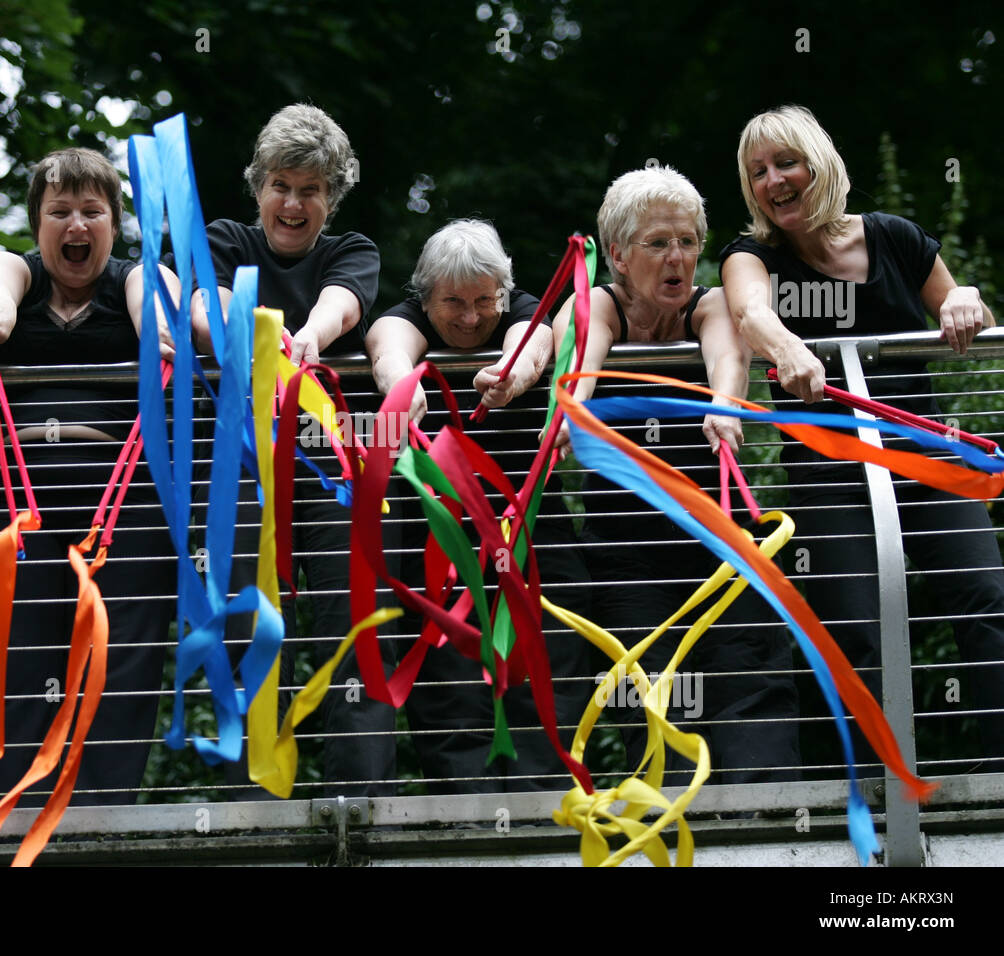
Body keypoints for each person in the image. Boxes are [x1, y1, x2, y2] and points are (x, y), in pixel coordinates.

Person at [719, 104, 1004, 772]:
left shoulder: (895, 237)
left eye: (786, 162)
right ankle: (888, 790)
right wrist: (789, 347)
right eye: (757, 171)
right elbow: (749, 312)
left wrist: (965, 297)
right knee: (853, 628)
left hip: (923, 454)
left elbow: (964, 305)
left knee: (986, 596)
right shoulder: (752, 255)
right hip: (828, 469)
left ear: (820, 164)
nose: (773, 180)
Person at [552, 167, 801, 785]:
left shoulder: (709, 302)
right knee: (653, 705)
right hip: (627, 552)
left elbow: (728, 351)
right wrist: (573, 410)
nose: (679, 258)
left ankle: (770, 831)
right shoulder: (598, 304)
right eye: (658, 243)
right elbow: (584, 354)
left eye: (688, 241)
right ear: (616, 253)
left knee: (752, 687)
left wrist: (722, 409)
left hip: (718, 536)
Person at [0, 147, 179, 807]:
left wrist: (154, 326)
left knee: (120, 663)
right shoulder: (14, 272)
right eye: (59, 212)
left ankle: (103, 825)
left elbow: (155, 296)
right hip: (13, 506)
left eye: (92, 211)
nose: (76, 224)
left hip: (124, 502)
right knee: (8, 663)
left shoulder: (136, 279)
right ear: (38, 223)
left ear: (114, 223)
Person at [192, 103, 383, 798]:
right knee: (244, 622)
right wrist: (250, 339)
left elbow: (343, 304)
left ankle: (360, 805)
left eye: (310, 189)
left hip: (326, 465)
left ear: (330, 199)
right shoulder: (223, 239)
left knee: (350, 625)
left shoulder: (351, 250)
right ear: (258, 186)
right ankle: (246, 808)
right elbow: (204, 308)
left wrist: (306, 339)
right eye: (281, 184)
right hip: (240, 467)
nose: (293, 202)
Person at [366, 218, 593, 794]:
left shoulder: (519, 309)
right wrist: (402, 387)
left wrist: (513, 374)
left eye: (483, 301)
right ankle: (466, 820)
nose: (470, 318)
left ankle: (547, 818)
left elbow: (534, 338)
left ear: (503, 289)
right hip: (437, 542)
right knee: (448, 682)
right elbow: (386, 344)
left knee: (551, 664)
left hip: (530, 533)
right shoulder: (405, 314)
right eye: (453, 304)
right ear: (425, 296)